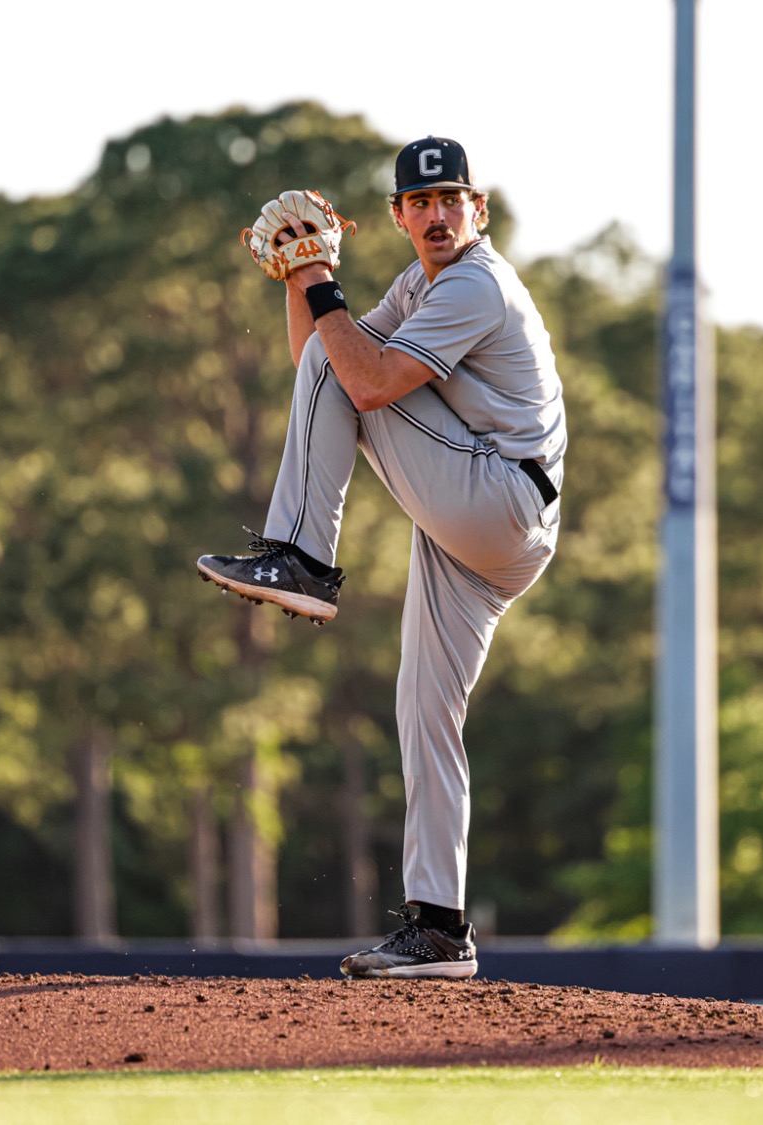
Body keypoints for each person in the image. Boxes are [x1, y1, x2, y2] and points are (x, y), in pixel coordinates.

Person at [196, 137, 566, 979]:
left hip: (497, 497)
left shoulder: (475, 280)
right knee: (424, 710)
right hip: (481, 526)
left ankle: (302, 560)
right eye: (421, 203)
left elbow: (357, 382)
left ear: (479, 211)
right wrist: (304, 276)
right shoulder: (417, 283)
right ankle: (439, 929)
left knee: (346, 358)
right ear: (398, 216)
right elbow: (316, 370)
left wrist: (323, 282)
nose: (437, 215)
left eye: (452, 200)